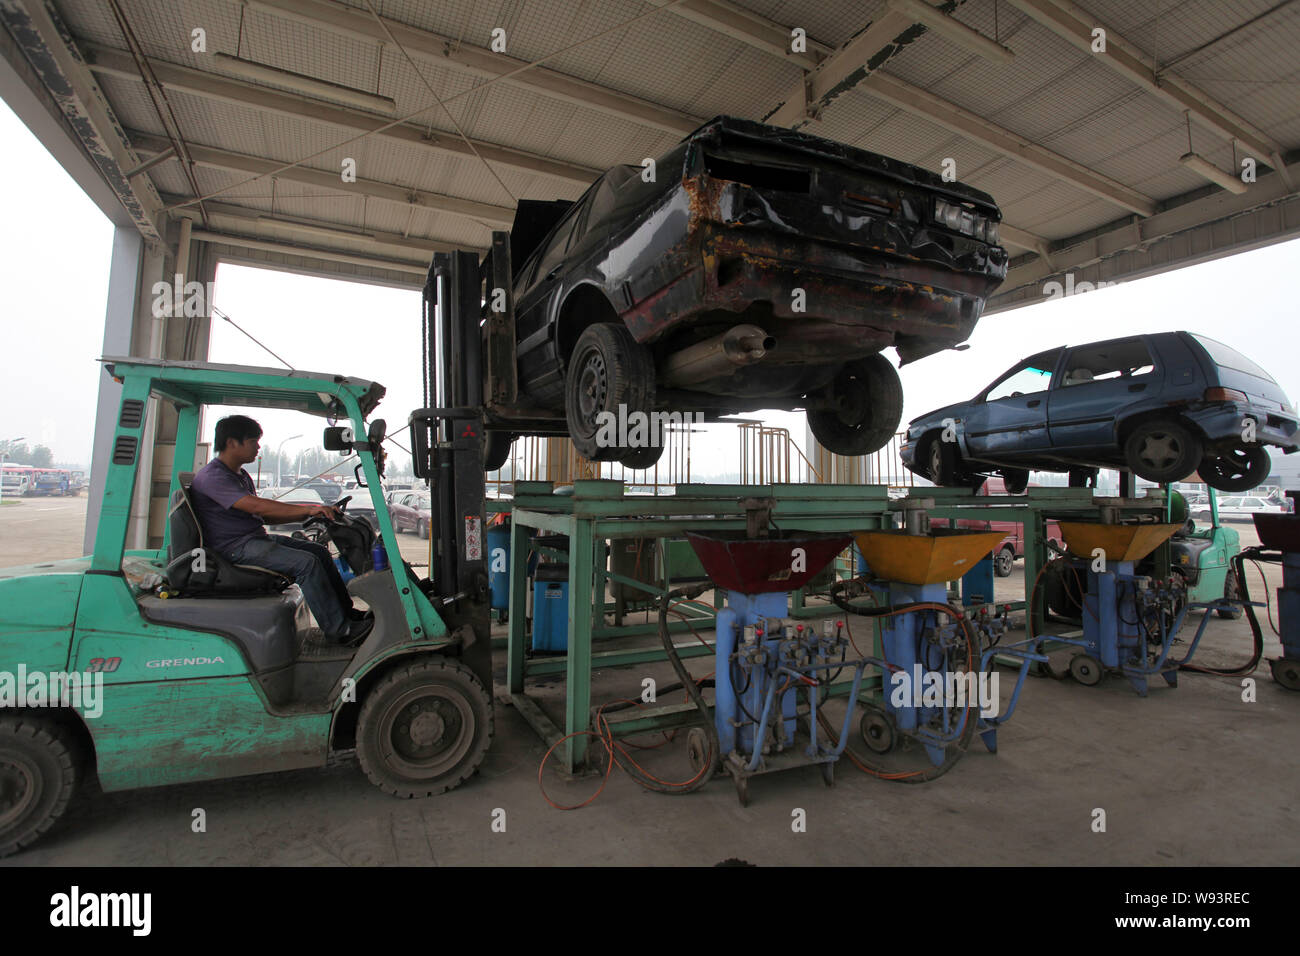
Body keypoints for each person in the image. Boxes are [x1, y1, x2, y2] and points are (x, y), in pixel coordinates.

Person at [189, 415, 373, 645]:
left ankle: (347, 614)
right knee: (306, 563)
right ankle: (340, 631)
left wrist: (311, 512)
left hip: (252, 539)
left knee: (319, 552)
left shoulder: (238, 475)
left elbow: (263, 515)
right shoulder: (213, 477)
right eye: (253, 441)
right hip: (233, 549)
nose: (258, 447)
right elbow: (255, 505)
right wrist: (308, 510)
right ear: (232, 442)